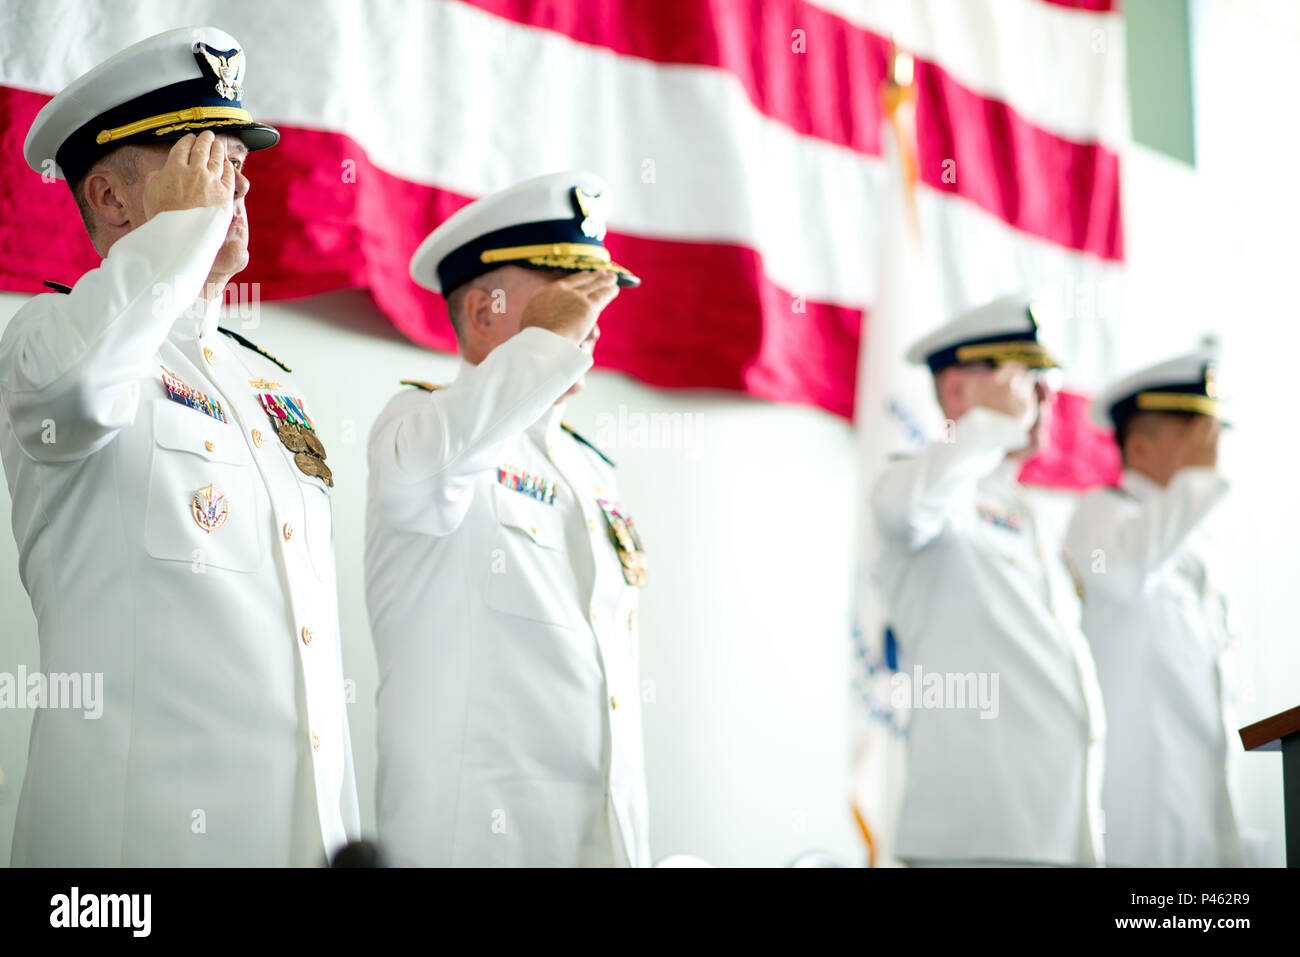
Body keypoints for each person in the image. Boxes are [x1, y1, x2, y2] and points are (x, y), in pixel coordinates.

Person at [2, 27, 358, 865]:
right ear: (112, 199)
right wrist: (182, 237)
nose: (231, 180)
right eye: (197, 155)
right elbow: (79, 395)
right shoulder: (46, 338)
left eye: (234, 157)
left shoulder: (269, 384)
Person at [365, 171, 650, 866]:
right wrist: (547, 348)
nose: (590, 317)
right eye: (566, 293)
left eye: (595, 292)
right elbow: (434, 467)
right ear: (485, 310)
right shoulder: (419, 429)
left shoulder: (590, 469)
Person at [870, 294, 1105, 866]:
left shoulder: (1029, 513)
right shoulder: (914, 484)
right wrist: (988, 424)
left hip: (1058, 831)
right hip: (977, 839)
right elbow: (911, 507)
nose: (1046, 395)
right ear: (957, 390)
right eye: (1025, 376)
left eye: (1045, 378)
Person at [1065, 347, 1244, 866]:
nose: (1211, 447)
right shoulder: (1101, 516)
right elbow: (1120, 573)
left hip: (1206, 793)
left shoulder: (1195, 539)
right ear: (1139, 449)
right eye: (1195, 431)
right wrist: (1196, 484)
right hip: (1139, 802)